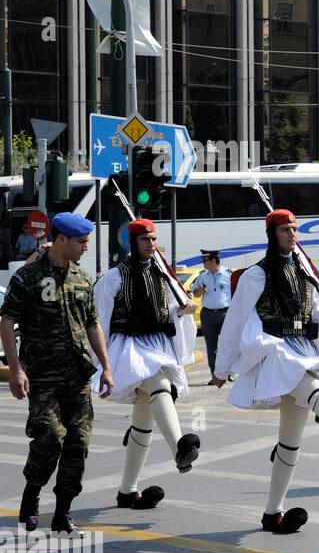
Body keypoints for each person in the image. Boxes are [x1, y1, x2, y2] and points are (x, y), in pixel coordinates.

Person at [211, 209, 319, 534]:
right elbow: (234, 322)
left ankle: (272, 513)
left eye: (295, 229)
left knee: (290, 440)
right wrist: (221, 369)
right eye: (286, 230)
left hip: (303, 346)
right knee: (312, 387)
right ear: (272, 234)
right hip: (274, 349)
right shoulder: (255, 275)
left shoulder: (303, 269)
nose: (292, 235)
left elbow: (313, 309)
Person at [1, 212, 113, 534]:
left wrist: (105, 367)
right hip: (43, 375)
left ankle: (63, 512)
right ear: (61, 239)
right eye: (81, 242)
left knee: (78, 443)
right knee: (51, 438)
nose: (85, 248)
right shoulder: (29, 277)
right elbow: (7, 321)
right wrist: (16, 370)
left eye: (87, 242)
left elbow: (93, 324)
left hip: (77, 376)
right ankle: (32, 491)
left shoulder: (81, 277)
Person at [94, 218, 201, 512]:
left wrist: (183, 311)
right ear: (132, 242)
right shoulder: (113, 278)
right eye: (145, 240)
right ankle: (180, 446)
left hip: (157, 344)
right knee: (158, 384)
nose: (151, 245)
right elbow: (99, 322)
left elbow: (168, 312)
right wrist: (100, 364)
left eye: (153, 240)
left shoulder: (163, 275)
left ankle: (127, 492)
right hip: (128, 347)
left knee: (143, 420)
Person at [192, 249, 233, 385]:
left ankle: (229, 373)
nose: (203, 263)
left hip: (225, 313)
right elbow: (195, 294)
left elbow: (236, 293)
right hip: (208, 314)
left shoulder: (228, 274)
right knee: (211, 346)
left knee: (227, 345)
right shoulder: (203, 276)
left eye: (205, 260)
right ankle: (215, 376)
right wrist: (201, 291)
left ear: (213, 261)